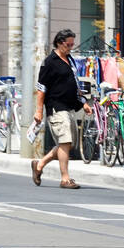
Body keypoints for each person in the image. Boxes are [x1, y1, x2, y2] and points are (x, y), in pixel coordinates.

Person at [30, 29, 92, 189]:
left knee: (68, 144)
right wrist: (39, 111)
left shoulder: (69, 60)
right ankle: (65, 179)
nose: (71, 47)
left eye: (72, 44)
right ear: (59, 42)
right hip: (56, 108)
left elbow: (73, 86)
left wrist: (82, 103)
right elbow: (41, 88)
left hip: (69, 107)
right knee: (65, 141)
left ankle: (39, 164)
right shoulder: (49, 62)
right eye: (68, 44)